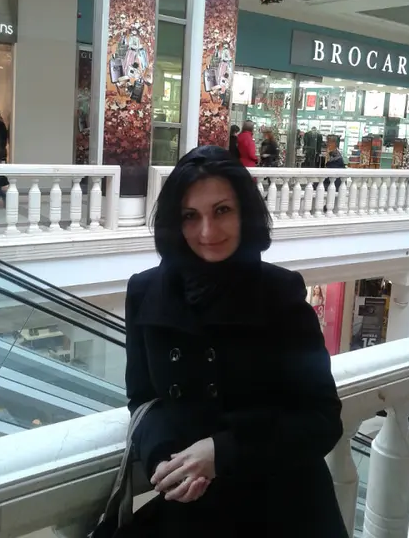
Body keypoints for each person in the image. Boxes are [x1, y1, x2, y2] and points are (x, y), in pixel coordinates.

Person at [125, 145, 347, 538]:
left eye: (222, 211)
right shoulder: (145, 292)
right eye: (190, 216)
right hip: (195, 512)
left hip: (284, 510)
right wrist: (163, 459)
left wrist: (223, 451)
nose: (207, 232)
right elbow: (143, 400)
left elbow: (322, 420)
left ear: (245, 213)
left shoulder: (280, 293)